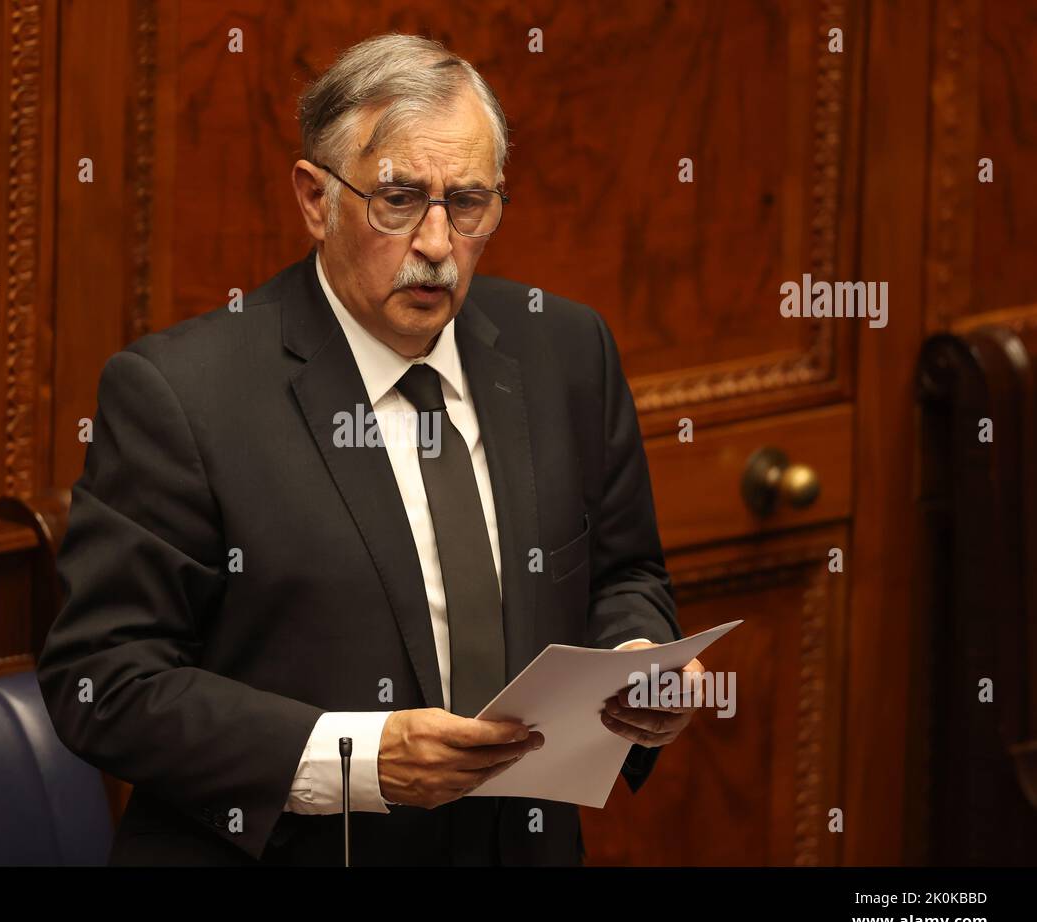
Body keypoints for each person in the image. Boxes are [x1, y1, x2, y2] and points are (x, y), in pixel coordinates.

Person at [36, 32, 699, 866]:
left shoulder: (564, 352)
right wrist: (357, 760)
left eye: (467, 203)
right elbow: (104, 683)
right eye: (398, 200)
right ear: (316, 199)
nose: (435, 244)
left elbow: (624, 575)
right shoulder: (181, 396)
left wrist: (636, 664)